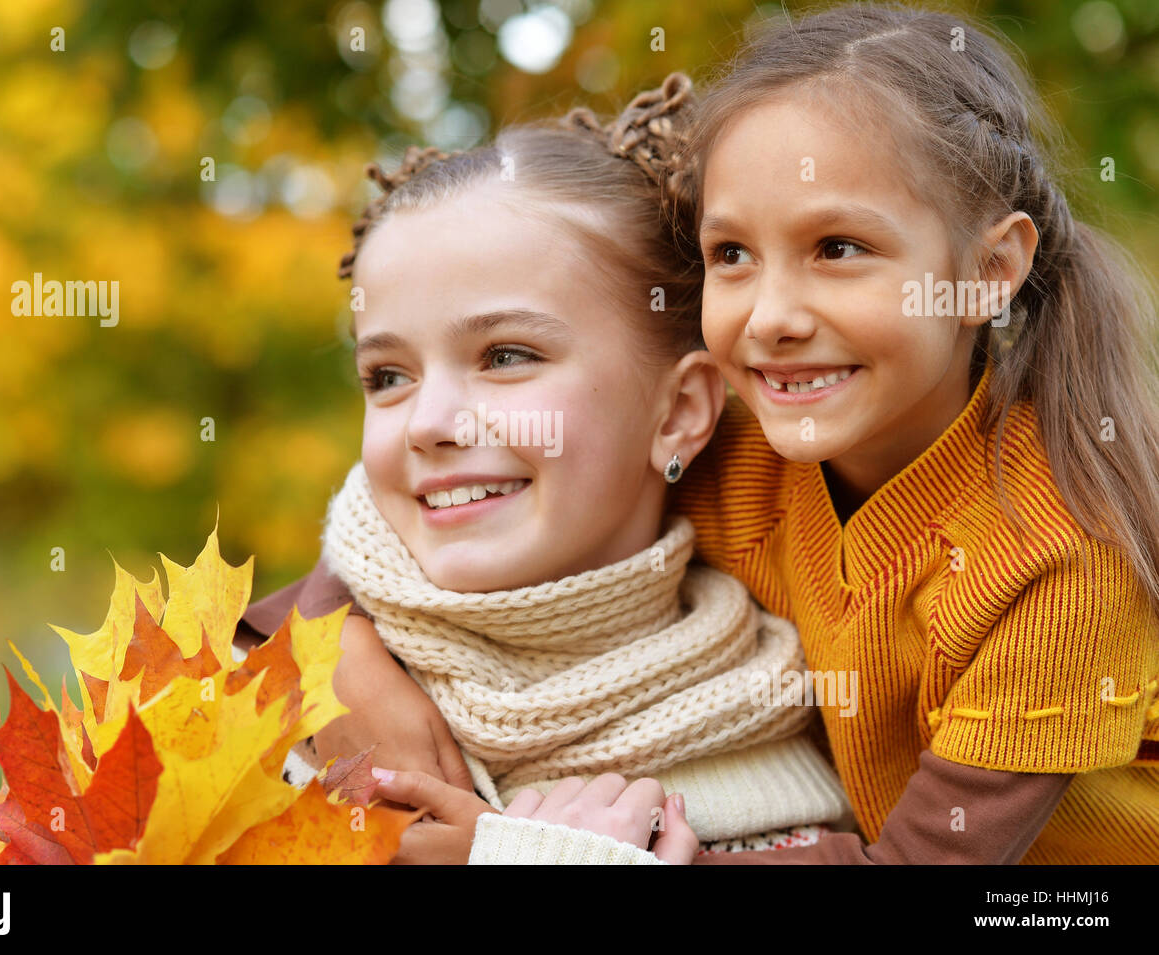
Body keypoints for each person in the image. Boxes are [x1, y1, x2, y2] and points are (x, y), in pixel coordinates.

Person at [281, 4, 1159, 864]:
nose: (770, 317)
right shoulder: (746, 443)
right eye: (732, 254)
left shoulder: (1064, 560)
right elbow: (396, 516)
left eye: (839, 247)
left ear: (988, 271)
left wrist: (536, 853)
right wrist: (337, 657)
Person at [238, 74, 852, 865]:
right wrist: (323, 648)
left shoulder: (802, 708)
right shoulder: (269, 708)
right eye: (387, 376)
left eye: (505, 356)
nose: (427, 423)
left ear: (679, 413)